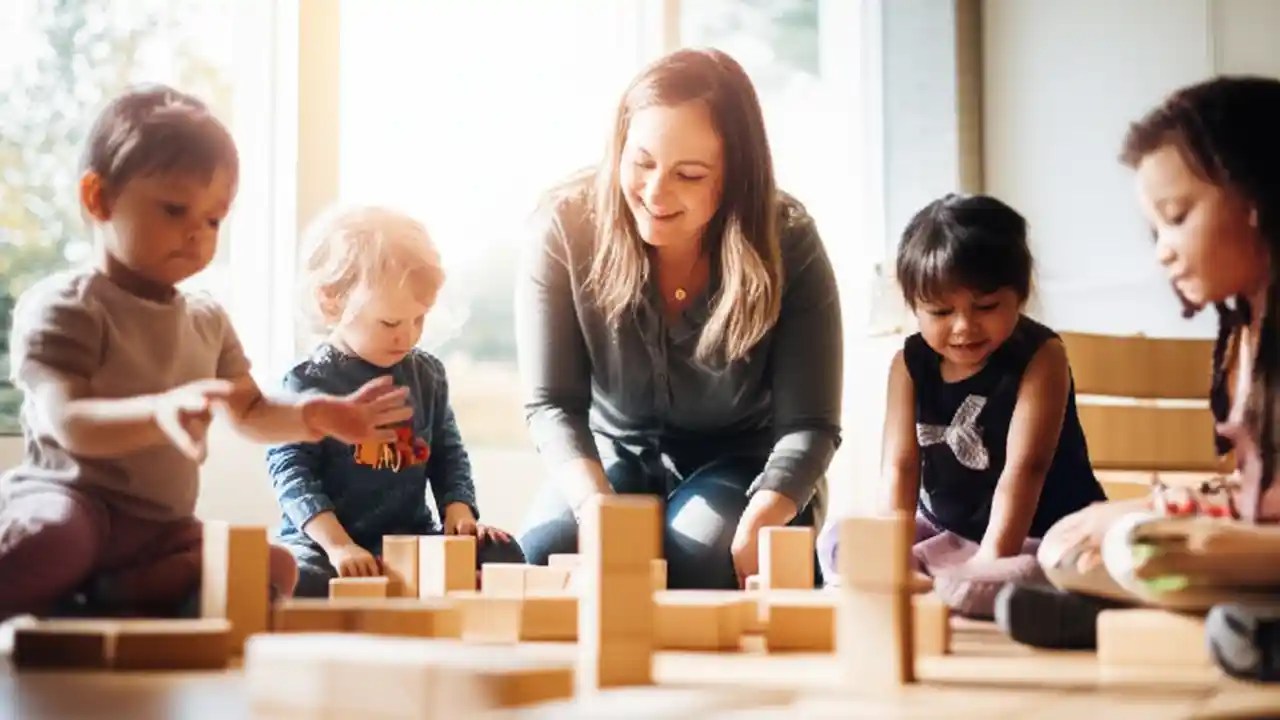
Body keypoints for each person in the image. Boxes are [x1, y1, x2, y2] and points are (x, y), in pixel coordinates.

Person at [0, 85, 408, 619]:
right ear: (98, 198)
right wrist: (159, 412)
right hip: (74, 501)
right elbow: (70, 422)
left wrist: (316, 416)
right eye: (175, 210)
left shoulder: (206, 319)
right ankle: (97, 591)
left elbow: (252, 411)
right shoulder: (67, 306)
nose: (197, 233)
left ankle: (108, 596)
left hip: (161, 527)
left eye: (213, 220)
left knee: (273, 565)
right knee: (55, 541)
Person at [515, 48, 842, 589]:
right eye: (642, 163)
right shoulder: (564, 226)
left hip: (747, 465)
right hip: (614, 455)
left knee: (700, 561)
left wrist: (768, 510)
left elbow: (810, 425)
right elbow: (552, 405)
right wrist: (593, 505)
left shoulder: (788, 239)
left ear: (736, 177)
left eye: (688, 174)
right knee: (546, 554)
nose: (655, 193)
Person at [997, 77, 1280, 671]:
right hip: (1255, 552)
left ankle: (1167, 623)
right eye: (1156, 231)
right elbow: (1258, 495)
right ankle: (1224, 626)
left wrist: (1193, 534)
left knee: (1151, 548)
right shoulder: (1244, 338)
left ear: (1259, 194)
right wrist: (1159, 507)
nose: (1163, 252)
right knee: (1069, 545)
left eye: (1177, 218)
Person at [816, 194, 1105, 617]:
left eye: (986, 307)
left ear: (1020, 295)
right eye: (940, 312)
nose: (964, 327)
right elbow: (899, 468)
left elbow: (1026, 469)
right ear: (914, 307)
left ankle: (976, 588)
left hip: (1037, 534)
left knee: (1042, 569)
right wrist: (893, 557)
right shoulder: (909, 365)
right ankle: (946, 583)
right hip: (950, 535)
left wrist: (990, 562)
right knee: (839, 540)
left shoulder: (1041, 357)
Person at [267, 206, 525, 597]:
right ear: (332, 302)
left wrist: (459, 510)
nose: (407, 336)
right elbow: (293, 478)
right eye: (390, 323)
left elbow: (448, 455)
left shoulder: (427, 375)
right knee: (296, 578)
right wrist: (339, 546)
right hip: (327, 546)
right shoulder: (305, 384)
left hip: (411, 540)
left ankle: (427, 591)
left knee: (504, 555)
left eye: (419, 319)